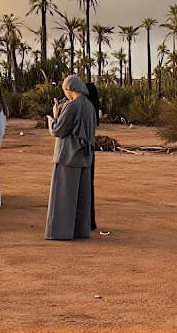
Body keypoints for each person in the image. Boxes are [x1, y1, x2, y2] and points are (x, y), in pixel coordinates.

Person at [45, 75, 97, 240]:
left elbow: (59, 130)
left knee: (63, 196)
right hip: (84, 157)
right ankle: (80, 231)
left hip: (68, 155)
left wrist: (53, 118)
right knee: (81, 198)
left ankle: (60, 232)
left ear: (69, 88)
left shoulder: (72, 106)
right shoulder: (89, 106)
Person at [85, 82, 101, 232]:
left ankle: (86, 220)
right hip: (91, 150)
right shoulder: (95, 110)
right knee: (89, 186)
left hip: (84, 151)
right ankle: (90, 220)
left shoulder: (85, 109)